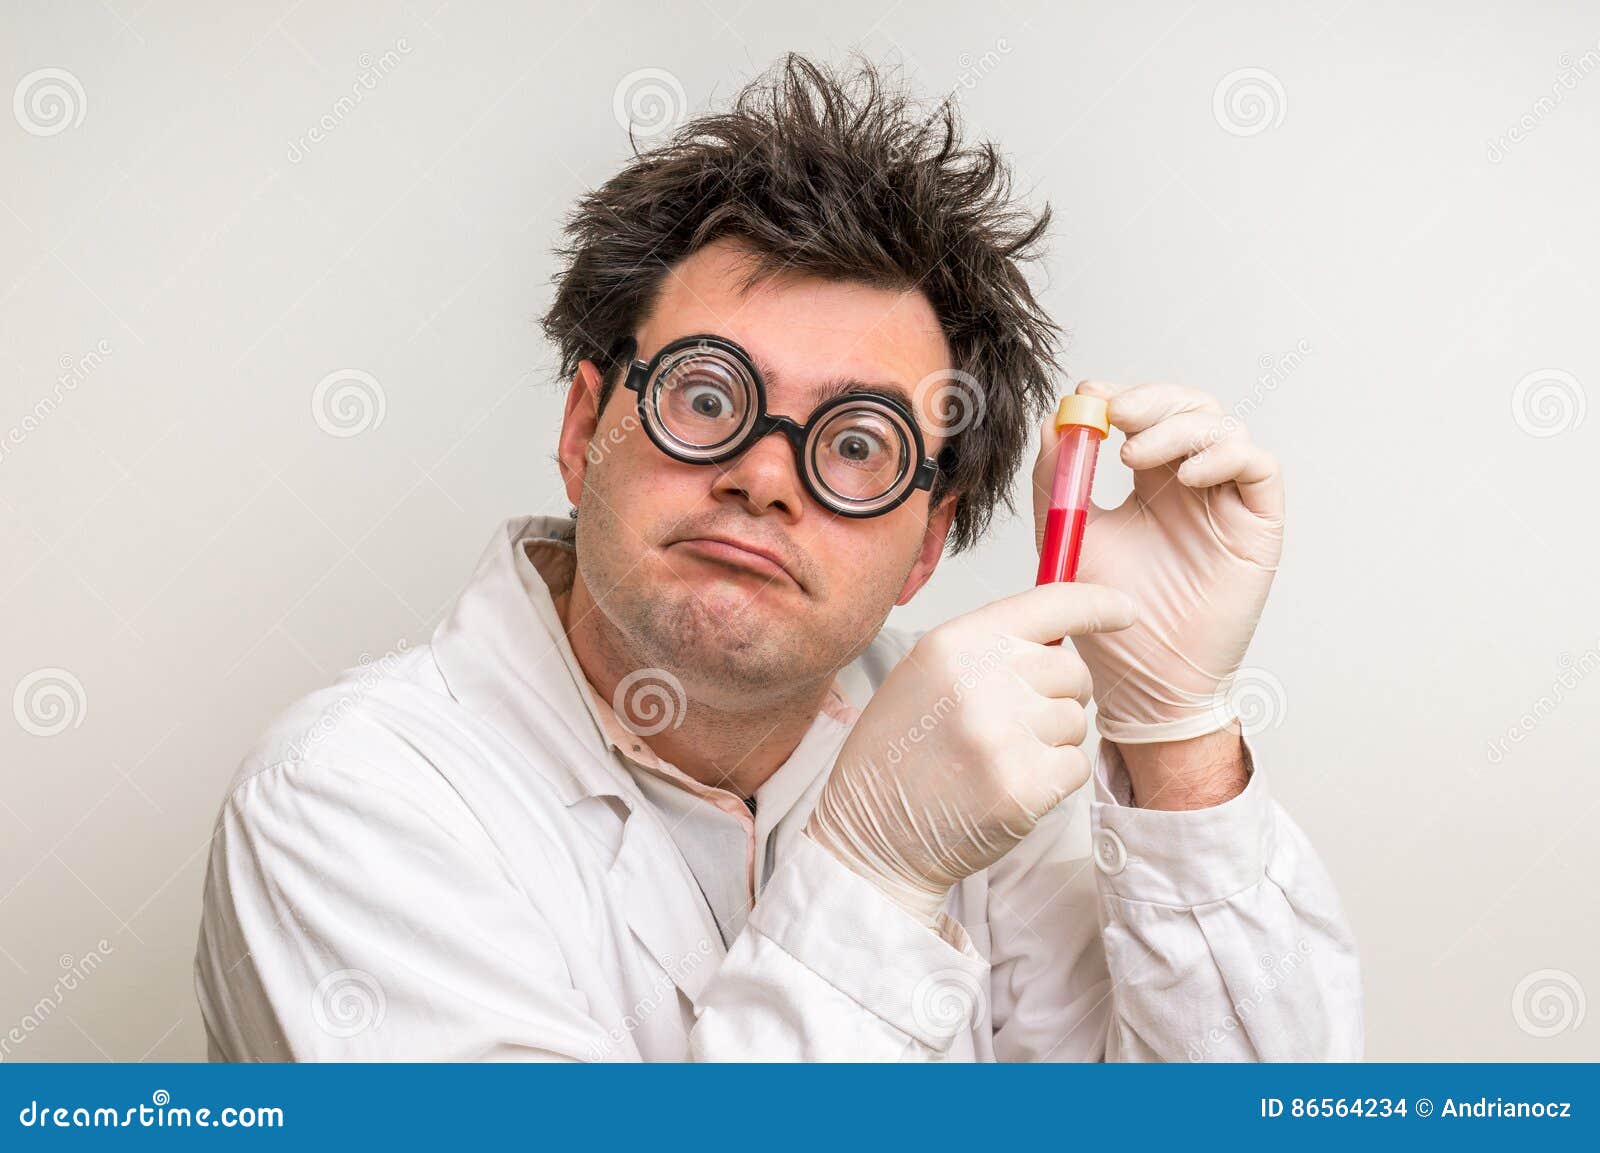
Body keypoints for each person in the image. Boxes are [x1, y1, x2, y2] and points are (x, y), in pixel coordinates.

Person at [194, 53, 1361, 1061]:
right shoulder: (348, 797)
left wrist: (1172, 731)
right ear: (584, 429)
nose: (763, 475)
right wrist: (874, 876)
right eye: (706, 396)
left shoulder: (976, 753)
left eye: (856, 444)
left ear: (927, 543)